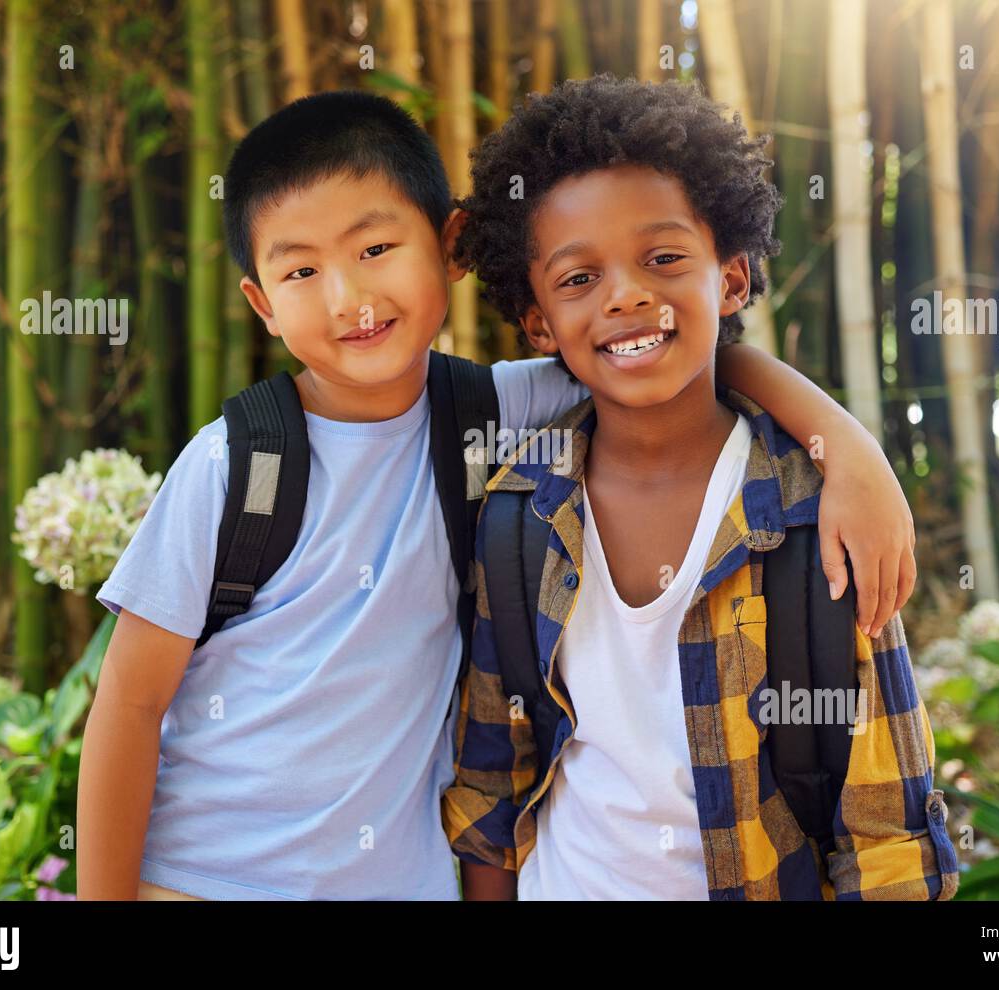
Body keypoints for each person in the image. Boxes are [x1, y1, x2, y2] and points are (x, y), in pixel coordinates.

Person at [77, 89, 921, 900]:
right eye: (301, 271)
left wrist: (846, 451)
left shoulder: (490, 411)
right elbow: (129, 703)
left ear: (450, 245)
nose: (350, 297)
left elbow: (665, 351)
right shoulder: (235, 464)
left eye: (375, 250)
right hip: (203, 883)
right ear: (261, 304)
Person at [445, 75, 958, 901]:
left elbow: (888, 836)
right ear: (538, 321)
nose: (627, 294)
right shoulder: (515, 514)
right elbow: (491, 789)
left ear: (731, 279)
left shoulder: (814, 517)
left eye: (663, 258)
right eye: (578, 279)